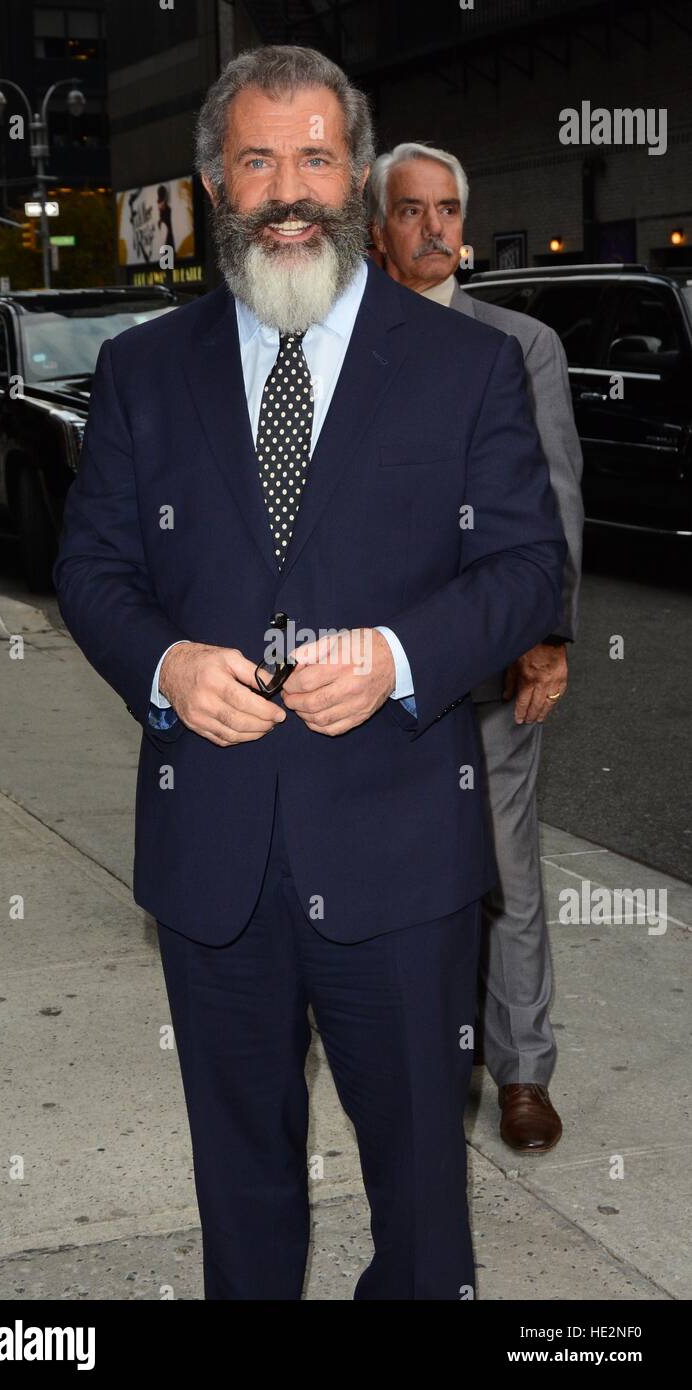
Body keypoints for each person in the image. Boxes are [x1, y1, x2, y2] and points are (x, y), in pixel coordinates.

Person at [54, 46, 566, 1299]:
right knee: (239, 1183)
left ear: (356, 174)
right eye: (257, 160)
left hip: (399, 855)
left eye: (316, 157)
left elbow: (526, 571)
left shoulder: (466, 365)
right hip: (210, 858)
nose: (288, 188)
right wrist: (165, 664)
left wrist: (399, 657)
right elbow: (92, 571)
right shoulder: (142, 369)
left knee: (422, 1202)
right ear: (213, 184)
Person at [368, 142, 584, 1153]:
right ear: (378, 228)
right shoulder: (341, 342)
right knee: (396, 875)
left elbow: (552, 503)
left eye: (448, 209)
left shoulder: (518, 345)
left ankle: (523, 1072)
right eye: (411, 212)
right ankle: (426, 1058)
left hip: (494, 662)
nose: (435, 229)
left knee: (505, 870)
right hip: (375, 672)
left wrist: (546, 637)